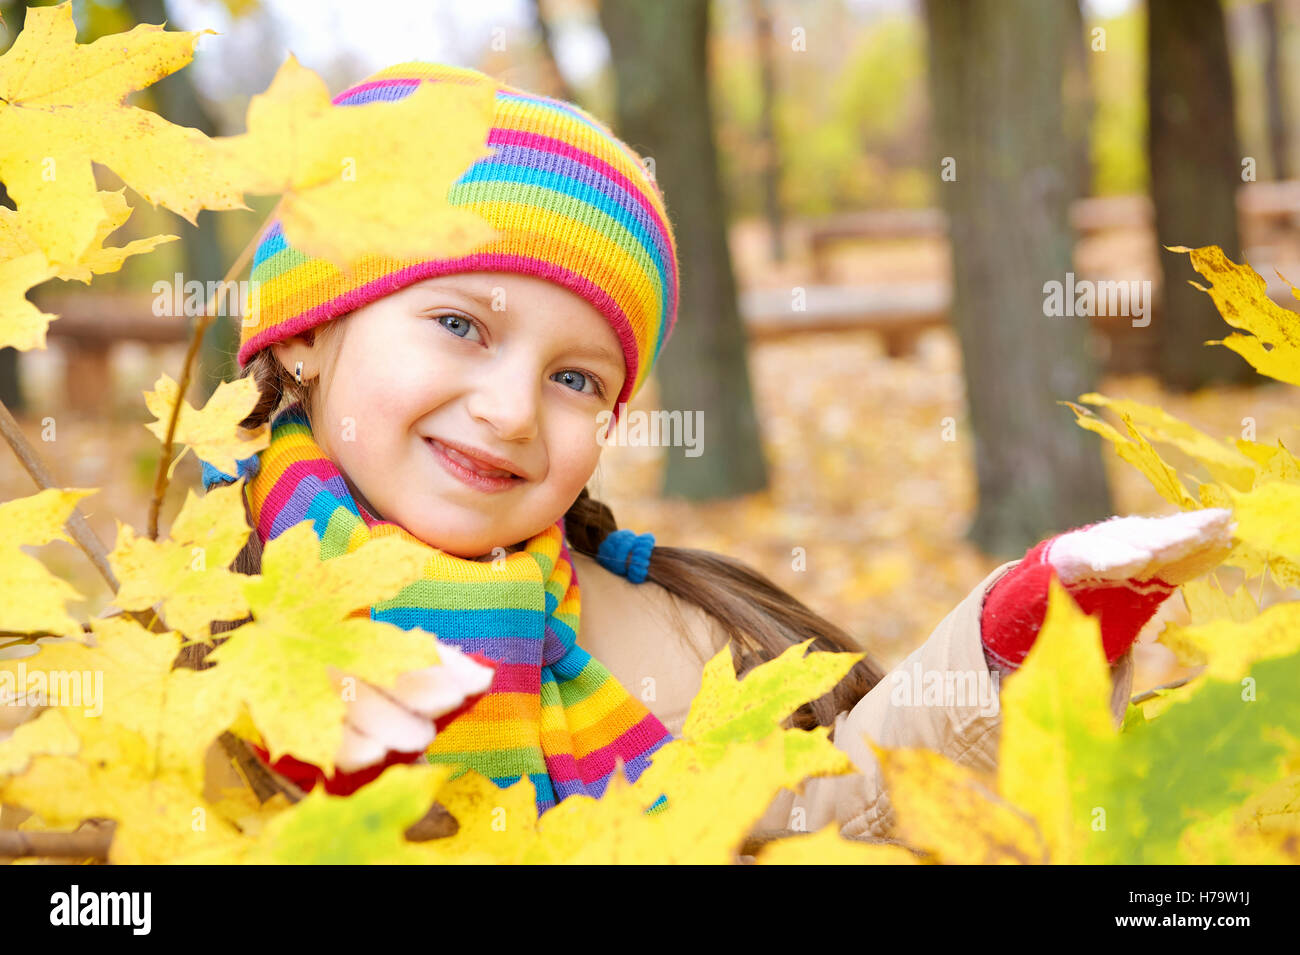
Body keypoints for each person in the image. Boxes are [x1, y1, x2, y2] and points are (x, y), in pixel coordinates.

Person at [199, 62, 1235, 845]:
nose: (513, 410)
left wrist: (1017, 649)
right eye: (461, 325)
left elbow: (830, 815)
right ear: (305, 329)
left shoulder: (687, 637)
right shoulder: (171, 630)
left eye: (576, 380)